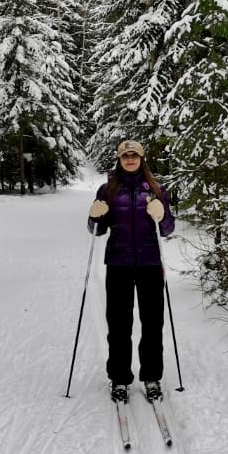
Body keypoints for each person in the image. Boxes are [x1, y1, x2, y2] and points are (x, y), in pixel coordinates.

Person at [87, 139, 175, 403]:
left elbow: (168, 229)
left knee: (152, 324)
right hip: (118, 265)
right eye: (125, 155)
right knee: (119, 325)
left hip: (150, 264)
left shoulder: (156, 189)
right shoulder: (108, 190)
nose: (130, 159)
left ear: (141, 158)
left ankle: (151, 377)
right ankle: (120, 379)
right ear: (119, 159)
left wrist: (161, 215)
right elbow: (96, 231)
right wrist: (94, 216)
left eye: (134, 155)